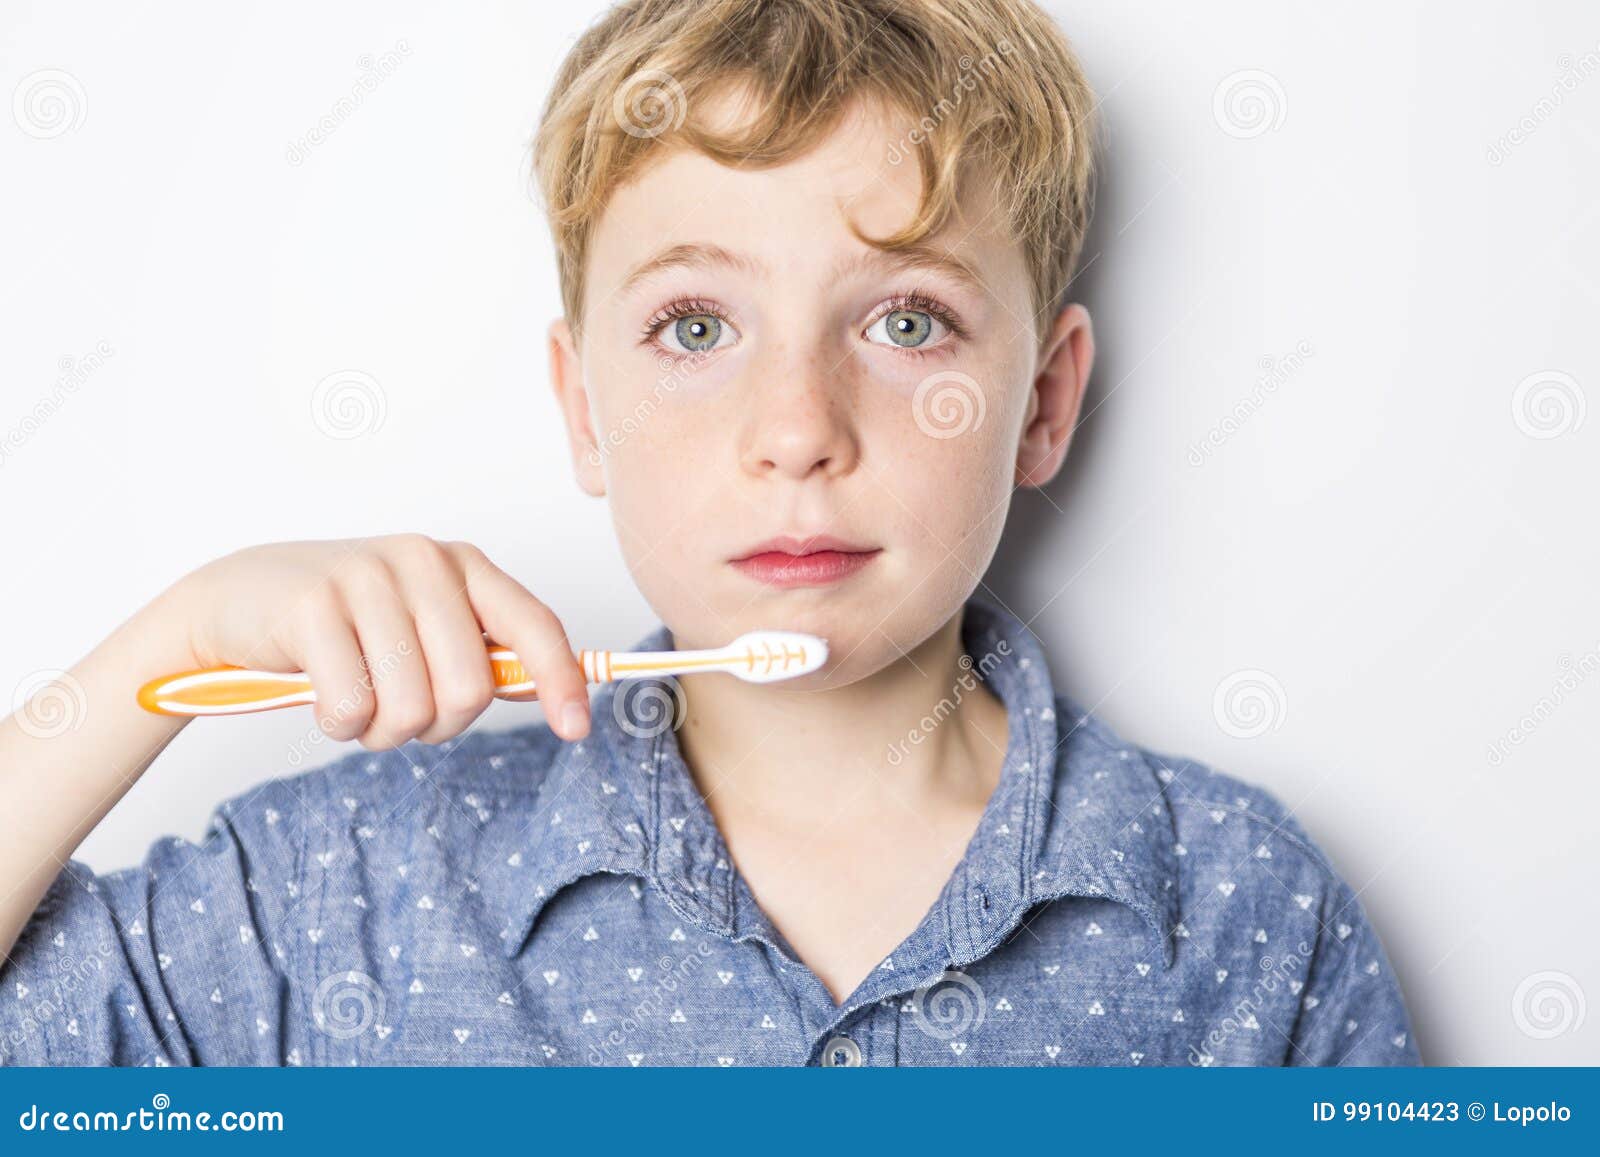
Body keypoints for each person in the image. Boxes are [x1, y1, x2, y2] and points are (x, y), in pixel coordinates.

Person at [0, 0, 1419, 1066]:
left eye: (905, 319)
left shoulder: (1243, 909)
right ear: (583, 410)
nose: (797, 425)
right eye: (695, 326)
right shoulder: (336, 896)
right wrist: (170, 643)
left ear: (1041, 403)